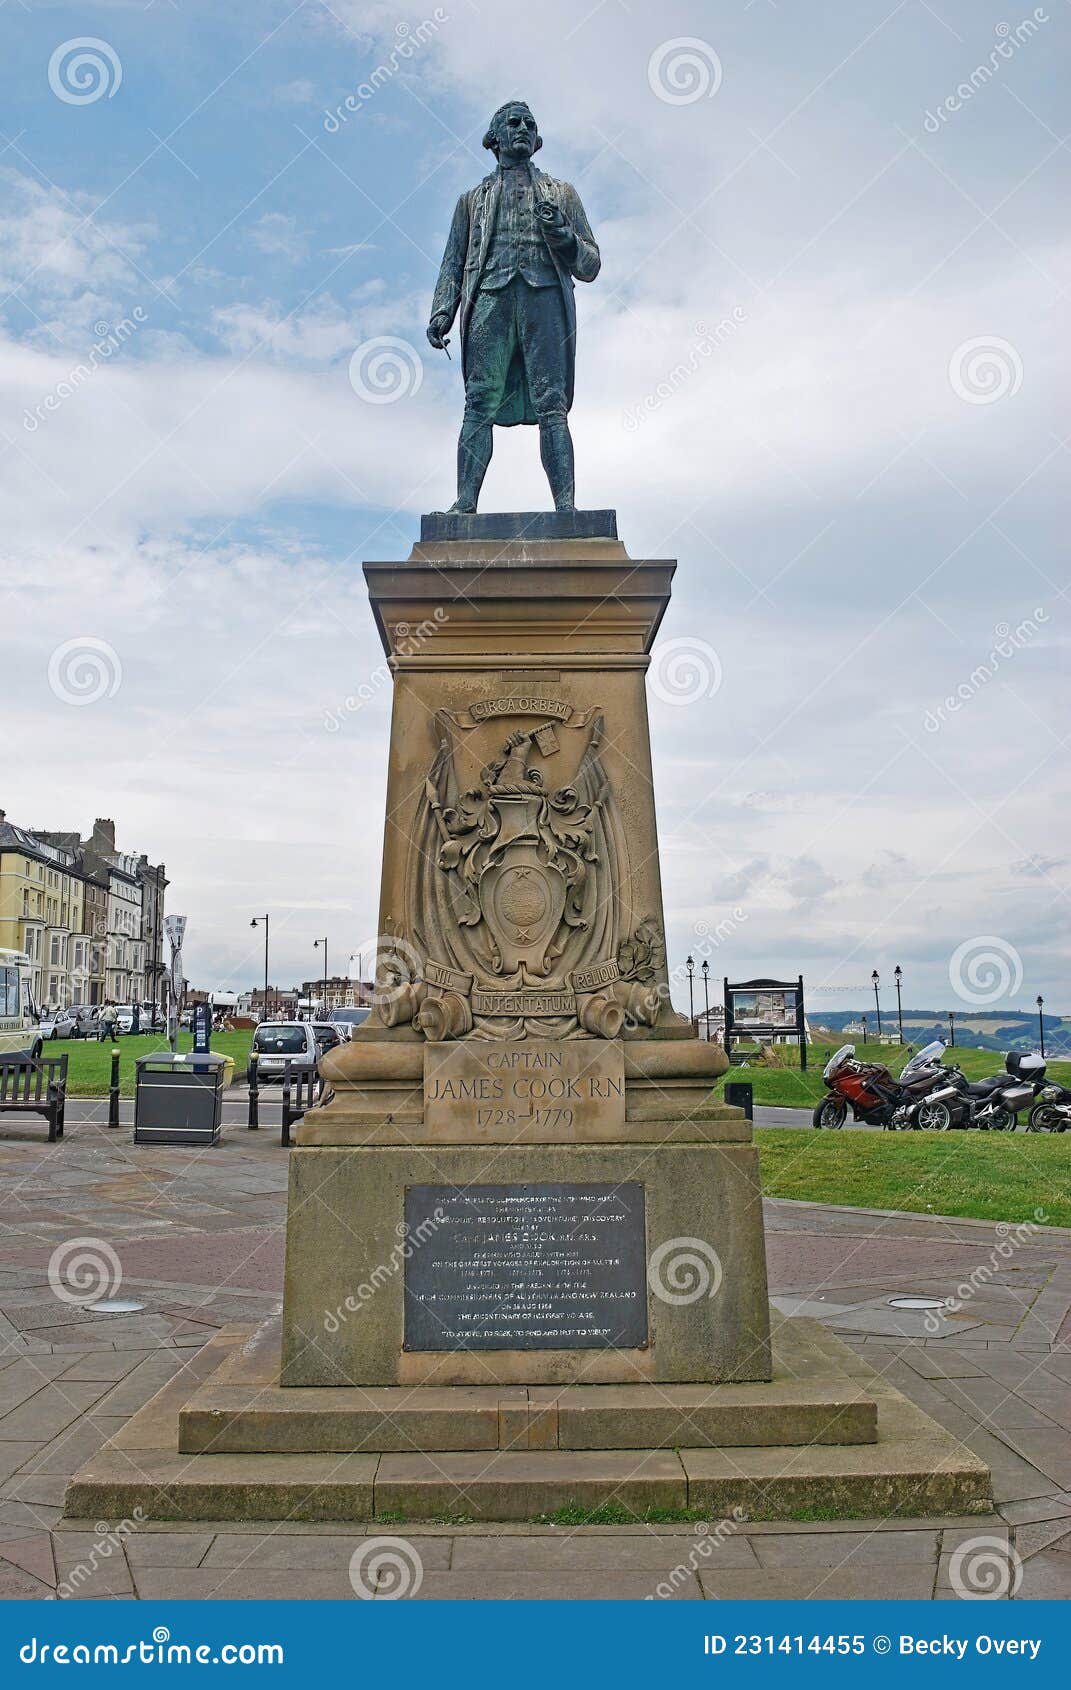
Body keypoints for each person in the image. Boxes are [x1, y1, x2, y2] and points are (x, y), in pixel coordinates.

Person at [427, 100, 601, 513]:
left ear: (537, 140)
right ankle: (464, 504)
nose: (521, 128)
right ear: (494, 139)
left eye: (529, 123)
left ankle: (567, 510)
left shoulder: (562, 194)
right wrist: (441, 312)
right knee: (478, 401)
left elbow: (590, 264)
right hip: (491, 298)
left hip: (545, 300)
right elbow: (453, 262)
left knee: (552, 404)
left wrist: (563, 236)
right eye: (512, 122)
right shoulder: (471, 201)